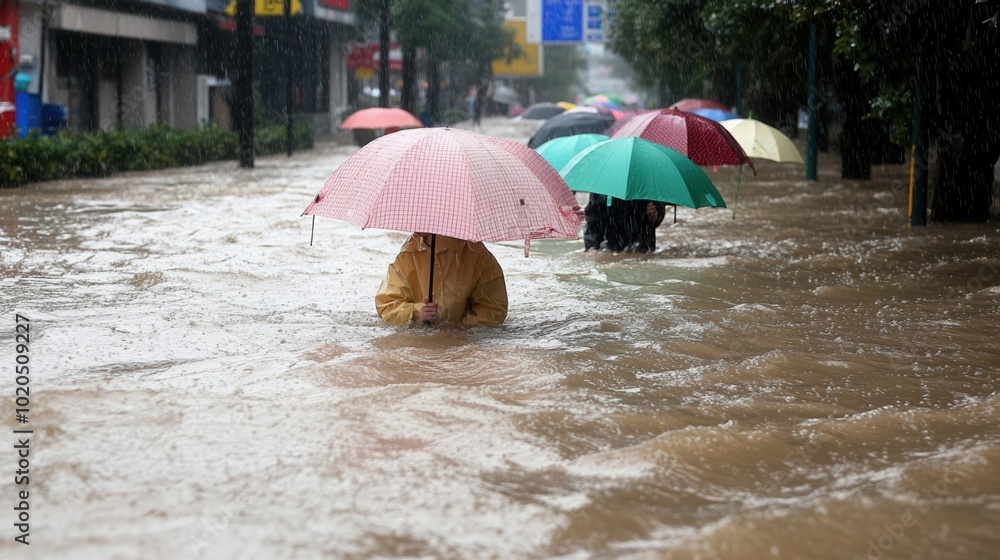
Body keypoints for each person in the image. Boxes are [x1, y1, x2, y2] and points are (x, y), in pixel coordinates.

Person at [375, 233, 508, 326]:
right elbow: (386, 306)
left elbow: (493, 307)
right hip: (421, 343)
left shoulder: (475, 252)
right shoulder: (407, 255)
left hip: (465, 347)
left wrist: (461, 330)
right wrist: (417, 313)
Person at [583, 194, 667, 253]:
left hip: (643, 243)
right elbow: (593, 219)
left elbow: (656, 217)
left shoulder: (646, 181)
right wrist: (591, 247)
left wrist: (656, 210)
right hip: (612, 243)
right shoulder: (603, 188)